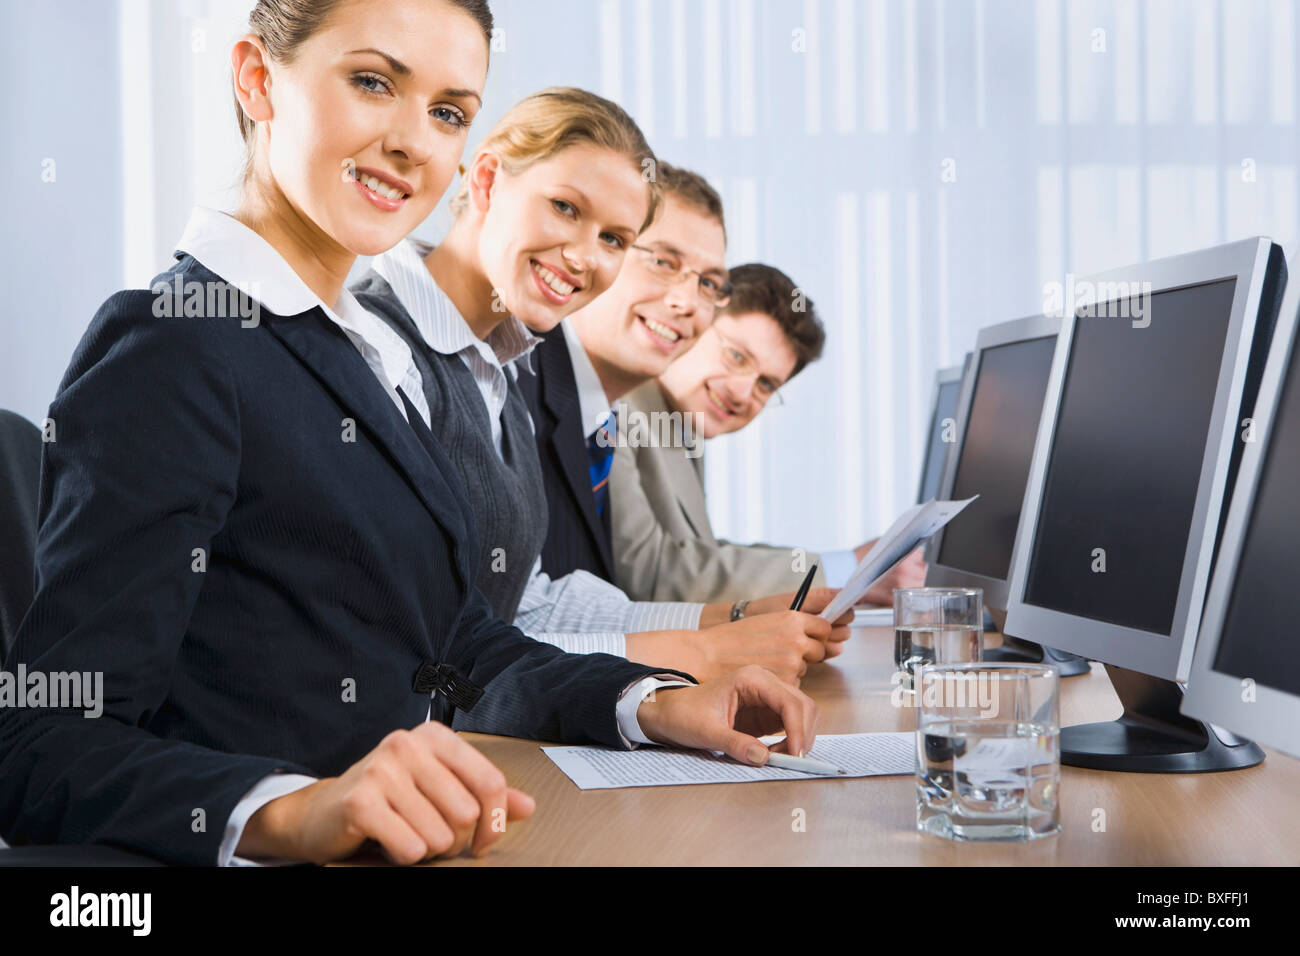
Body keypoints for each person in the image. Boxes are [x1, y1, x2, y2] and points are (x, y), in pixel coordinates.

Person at [0, 0, 820, 868]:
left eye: (447, 112)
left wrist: (649, 702)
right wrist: (293, 809)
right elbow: (41, 747)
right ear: (256, 78)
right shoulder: (174, 342)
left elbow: (454, 644)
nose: (414, 142)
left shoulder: (360, 352)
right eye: (371, 82)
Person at [352, 95, 849, 687]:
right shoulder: (374, 347)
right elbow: (420, 645)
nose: (584, 256)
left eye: (614, 239)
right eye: (565, 207)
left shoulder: (503, 368)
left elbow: (528, 605)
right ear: (486, 180)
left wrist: (727, 619)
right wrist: (700, 652)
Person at [609, 263, 927, 603]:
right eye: (736, 356)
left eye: (765, 384)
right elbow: (651, 571)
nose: (743, 394)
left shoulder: (678, 425)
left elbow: (699, 553)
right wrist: (850, 569)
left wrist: (847, 566)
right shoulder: (618, 408)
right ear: (696, 320)